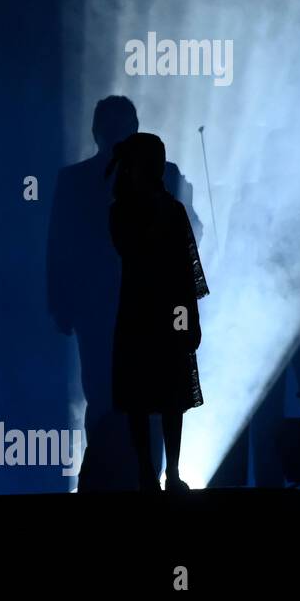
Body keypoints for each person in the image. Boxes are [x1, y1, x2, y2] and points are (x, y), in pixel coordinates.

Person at [47, 96, 201, 490]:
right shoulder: (76, 180)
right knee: (105, 394)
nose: (117, 135)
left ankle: (151, 475)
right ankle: (115, 478)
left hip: (147, 304)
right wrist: (60, 301)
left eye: (122, 127)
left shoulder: (162, 175)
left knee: (154, 392)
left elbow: (188, 235)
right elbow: (58, 244)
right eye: (111, 127)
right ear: (97, 132)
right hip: (100, 308)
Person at [106, 132, 209, 493]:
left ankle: (172, 472)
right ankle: (147, 472)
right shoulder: (123, 211)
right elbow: (131, 249)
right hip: (139, 311)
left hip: (166, 310)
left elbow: (186, 269)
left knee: (172, 397)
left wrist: (190, 319)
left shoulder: (172, 209)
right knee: (140, 397)